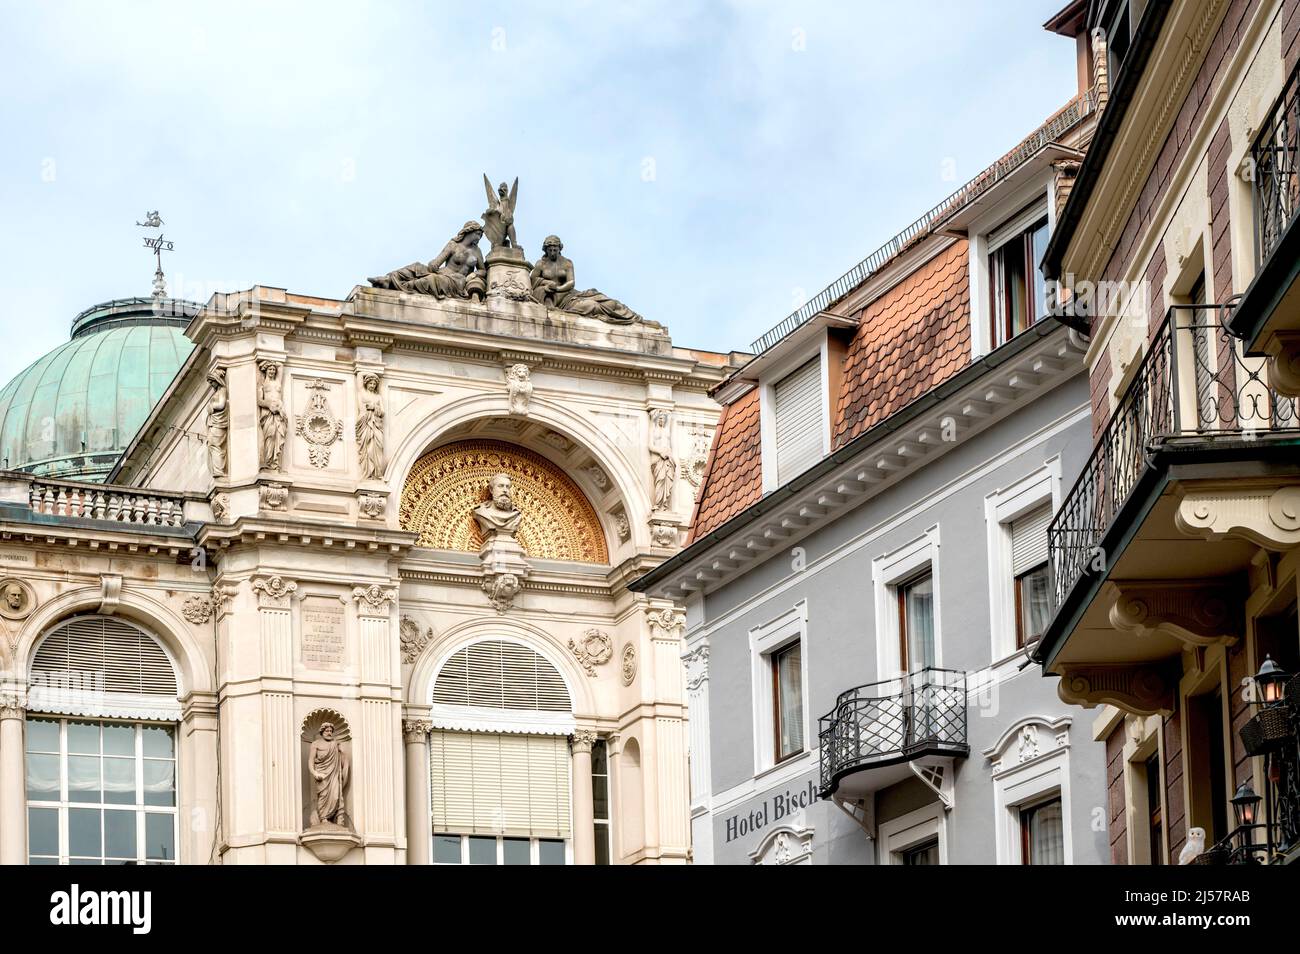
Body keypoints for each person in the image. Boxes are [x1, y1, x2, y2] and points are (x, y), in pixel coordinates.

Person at [309, 722, 349, 828]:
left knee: (336, 796)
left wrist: (343, 753)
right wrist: (315, 772)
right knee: (323, 796)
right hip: (322, 775)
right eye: (327, 731)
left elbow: (342, 761)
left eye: (331, 731)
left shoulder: (335, 744)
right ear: (322, 732)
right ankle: (323, 818)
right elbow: (310, 761)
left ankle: (337, 817)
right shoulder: (315, 744)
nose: (329, 733)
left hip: (334, 774)